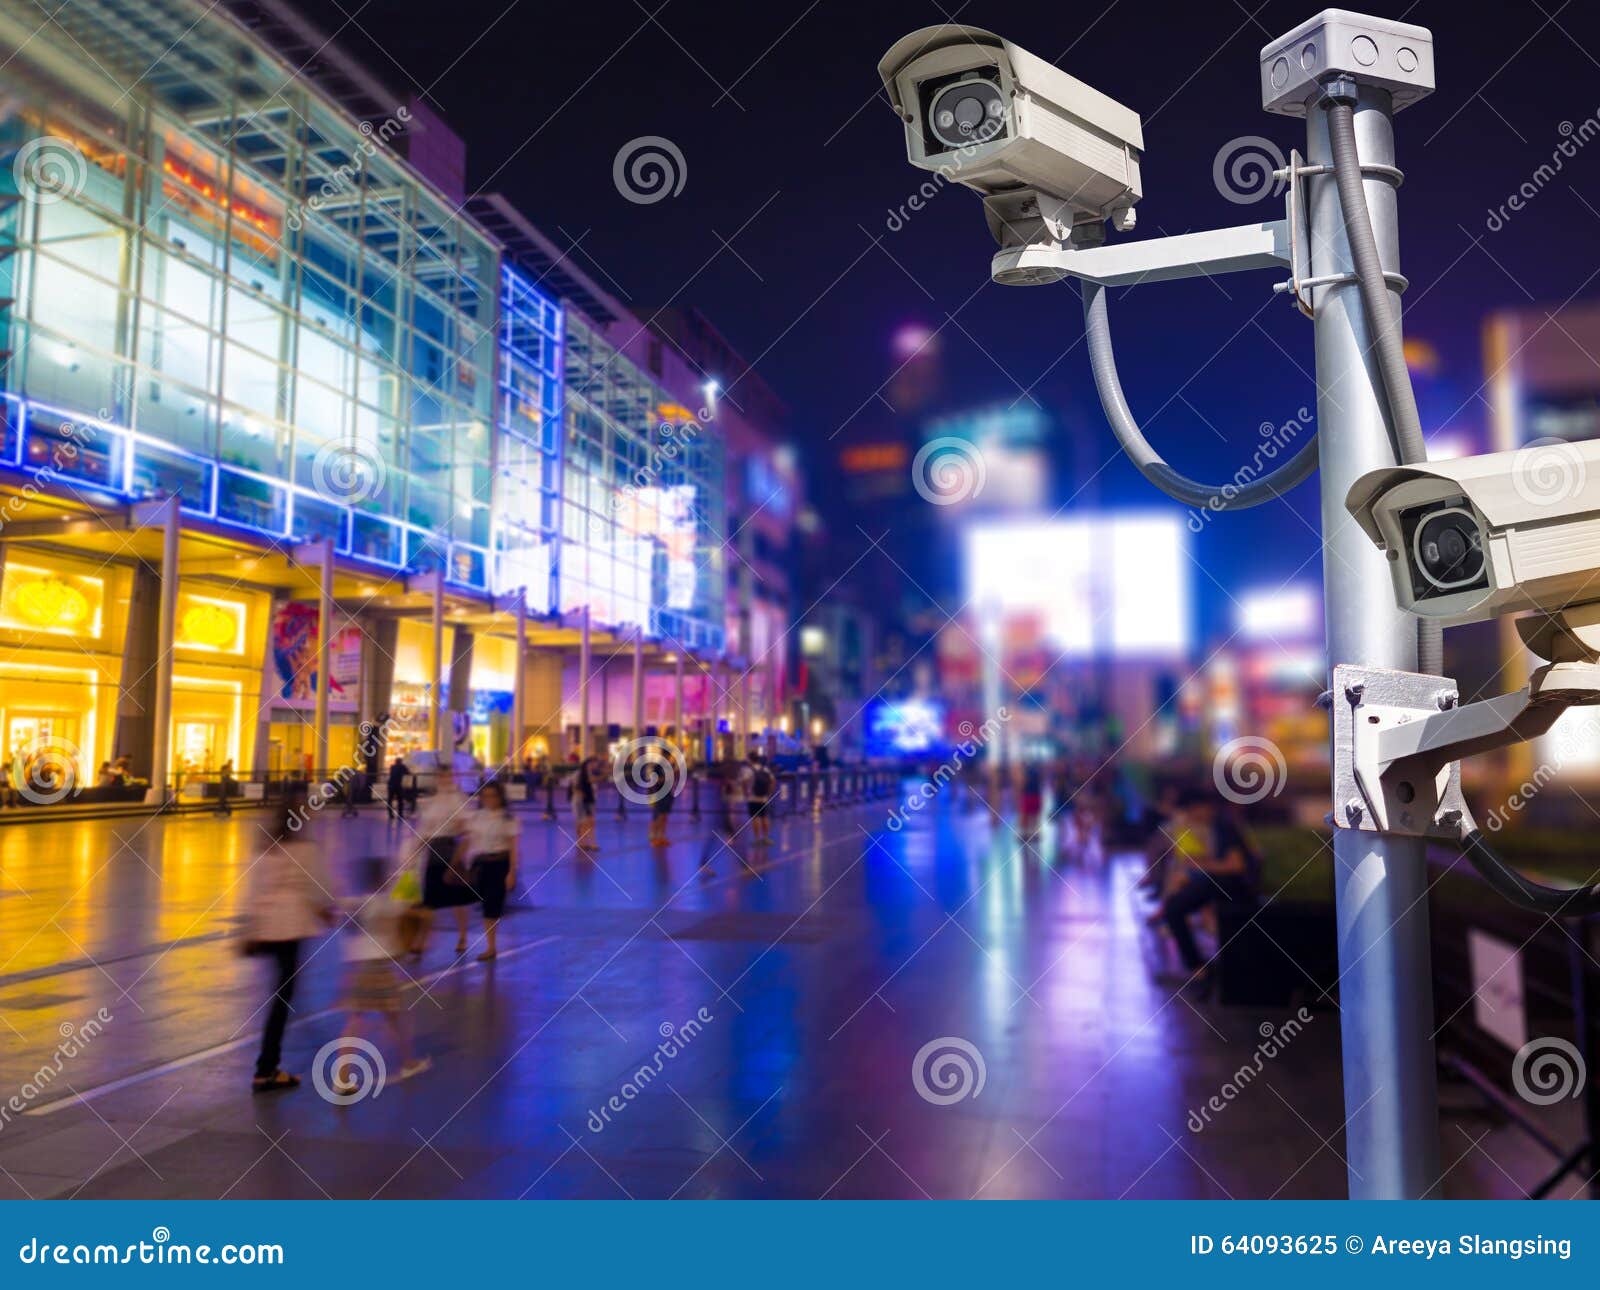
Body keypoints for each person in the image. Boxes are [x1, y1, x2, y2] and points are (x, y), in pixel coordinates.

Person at [242, 786, 335, 1093]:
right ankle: (266, 1068)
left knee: (282, 991)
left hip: (267, 925)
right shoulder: (305, 849)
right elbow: (318, 886)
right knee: (283, 995)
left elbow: (252, 889)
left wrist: (249, 927)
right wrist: (325, 909)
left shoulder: (266, 848)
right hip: (291, 925)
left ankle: (268, 1065)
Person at [333, 855, 429, 1093]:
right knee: (391, 1017)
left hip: (357, 970)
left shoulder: (355, 905)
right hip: (379, 969)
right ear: (382, 879)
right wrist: (411, 871)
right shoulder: (386, 904)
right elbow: (411, 907)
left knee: (361, 1020)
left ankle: (343, 1077)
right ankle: (408, 1063)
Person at [1159, 792, 1263, 987]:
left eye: (1193, 811)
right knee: (1177, 897)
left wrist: (1201, 866)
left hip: (1235, 885)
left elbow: (1236, 865)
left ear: (1203, 807)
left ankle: (1198, 969)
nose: (1193, 816)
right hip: (1225, 882)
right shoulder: (1220, 823)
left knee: (1174, 908)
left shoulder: (1224, 825)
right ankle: (1198, 968)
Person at [412, 768, 473, 956]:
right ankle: (422, 939)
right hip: (433, 848)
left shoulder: (458, 799)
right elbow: (425, 829)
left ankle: (463, 936)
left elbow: (465, 826)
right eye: (441, 776)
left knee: (457, 898)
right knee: (429, 897)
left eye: (448, 776)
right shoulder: (432, 801)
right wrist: (415, 849)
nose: (444, 779)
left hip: (450, 848)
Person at [465, 780, 518, 960]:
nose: (489, 799)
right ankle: (490, 945)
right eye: (485, 796)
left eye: (493, 796)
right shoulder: (478, 816)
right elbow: (470, 840)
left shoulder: (507, 819)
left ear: (500, 797)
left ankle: (491, 946)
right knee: (485, 904)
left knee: (493, 904)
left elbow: (513, 847)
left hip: (499, 864)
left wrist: (512, 871)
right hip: (481, 863)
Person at [742, 754, 776, 845]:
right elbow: (773, 781)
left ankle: (757, 839)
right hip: (764, 797)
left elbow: (744, 782)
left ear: (750, 760)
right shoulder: (765, 769)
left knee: (755, 817)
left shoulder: (748, 770)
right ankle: (765, 838)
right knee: (764, 817)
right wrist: (769, 793)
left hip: (753, 797)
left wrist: (746, 793)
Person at [571, 757, 598, 851]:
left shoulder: (589, 774)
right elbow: (575, 788)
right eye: (592, 764)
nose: (593, 766)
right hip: (581, 802)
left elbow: (592, 784)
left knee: (590, 822)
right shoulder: (579, 774)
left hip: (589, 801)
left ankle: (590, 843)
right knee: (582, 823)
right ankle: (582, 842)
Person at [386, 755, 410, 821]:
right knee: (400, 800)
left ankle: (390, 814)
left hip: (390, 785)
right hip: (397, 785)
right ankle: (400, 814)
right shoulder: (402, 766)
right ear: (401, 762)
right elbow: (408, 772)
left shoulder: (392, 766)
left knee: (390, 800)